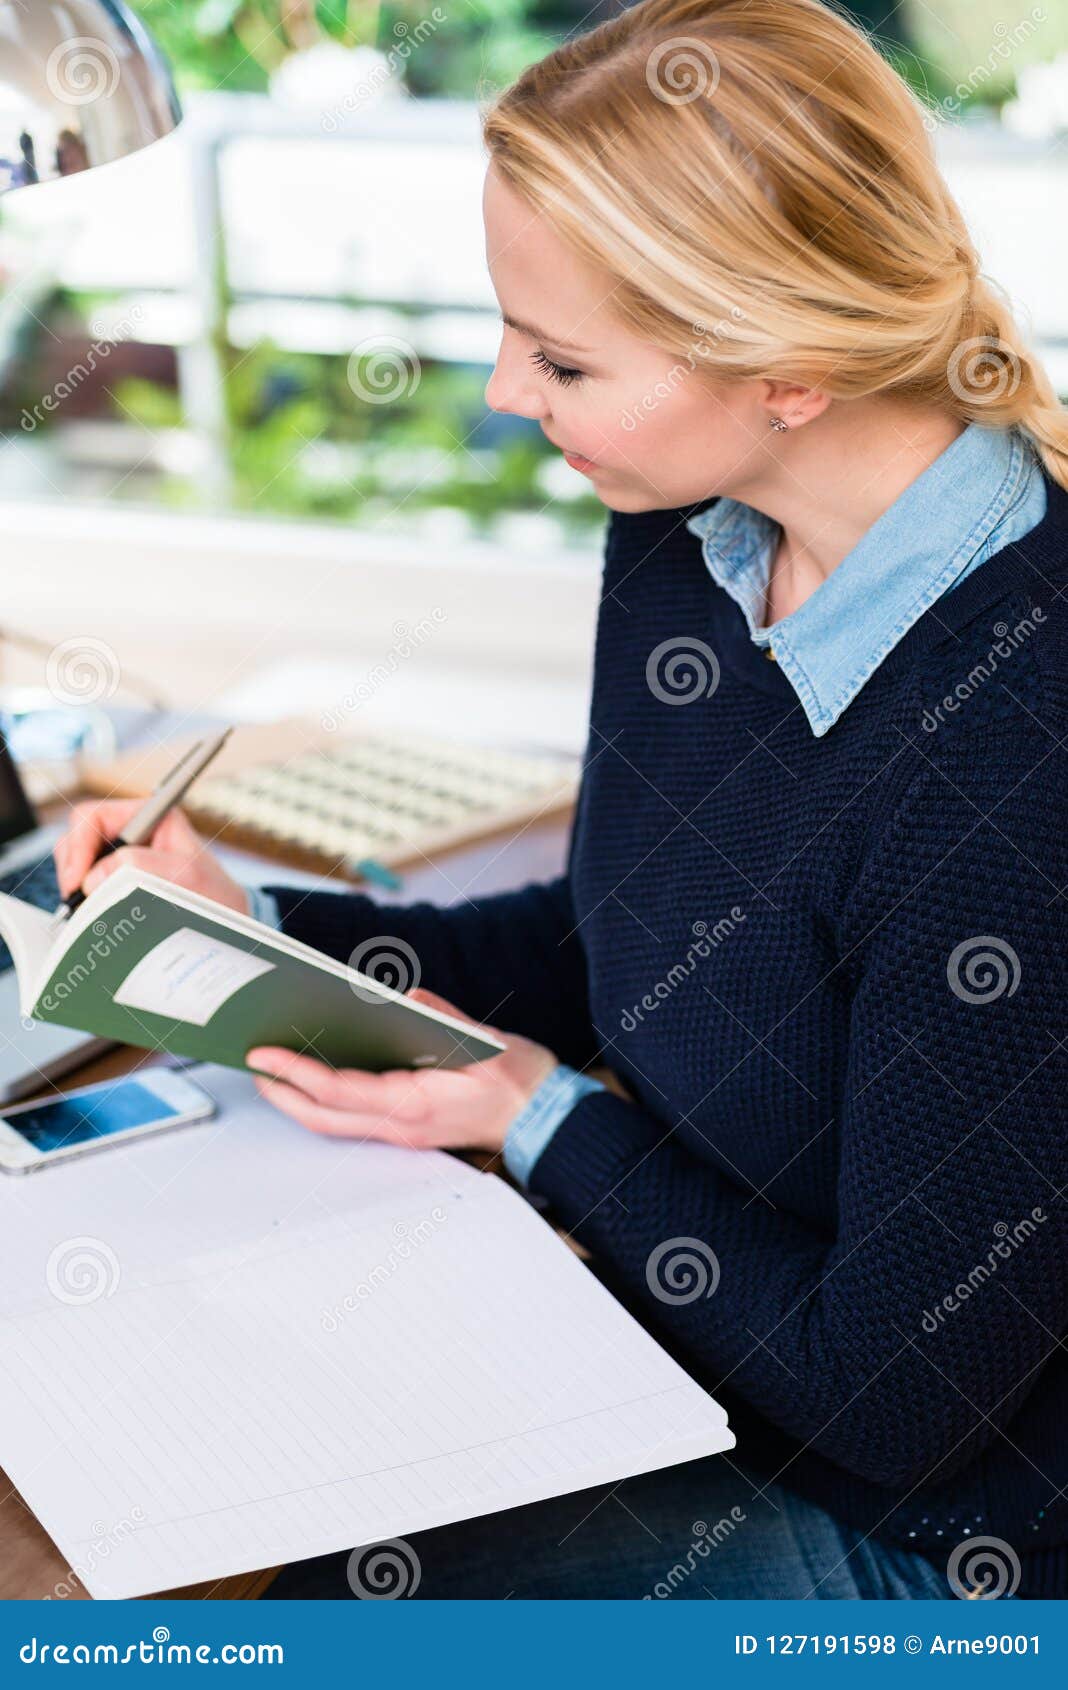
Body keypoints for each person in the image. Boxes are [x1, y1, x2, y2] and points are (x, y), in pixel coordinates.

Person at [56, 0, 1068, 1600]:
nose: (507, 395)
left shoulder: (1015, 768)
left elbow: (899, 1400)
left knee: (230, 1599)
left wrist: (537, 1116)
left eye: (564, 357)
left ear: (790, 370)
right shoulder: (693, 524)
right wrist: (267, 925)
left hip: (933, 1545)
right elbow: (637, 925)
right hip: (674, 1351)